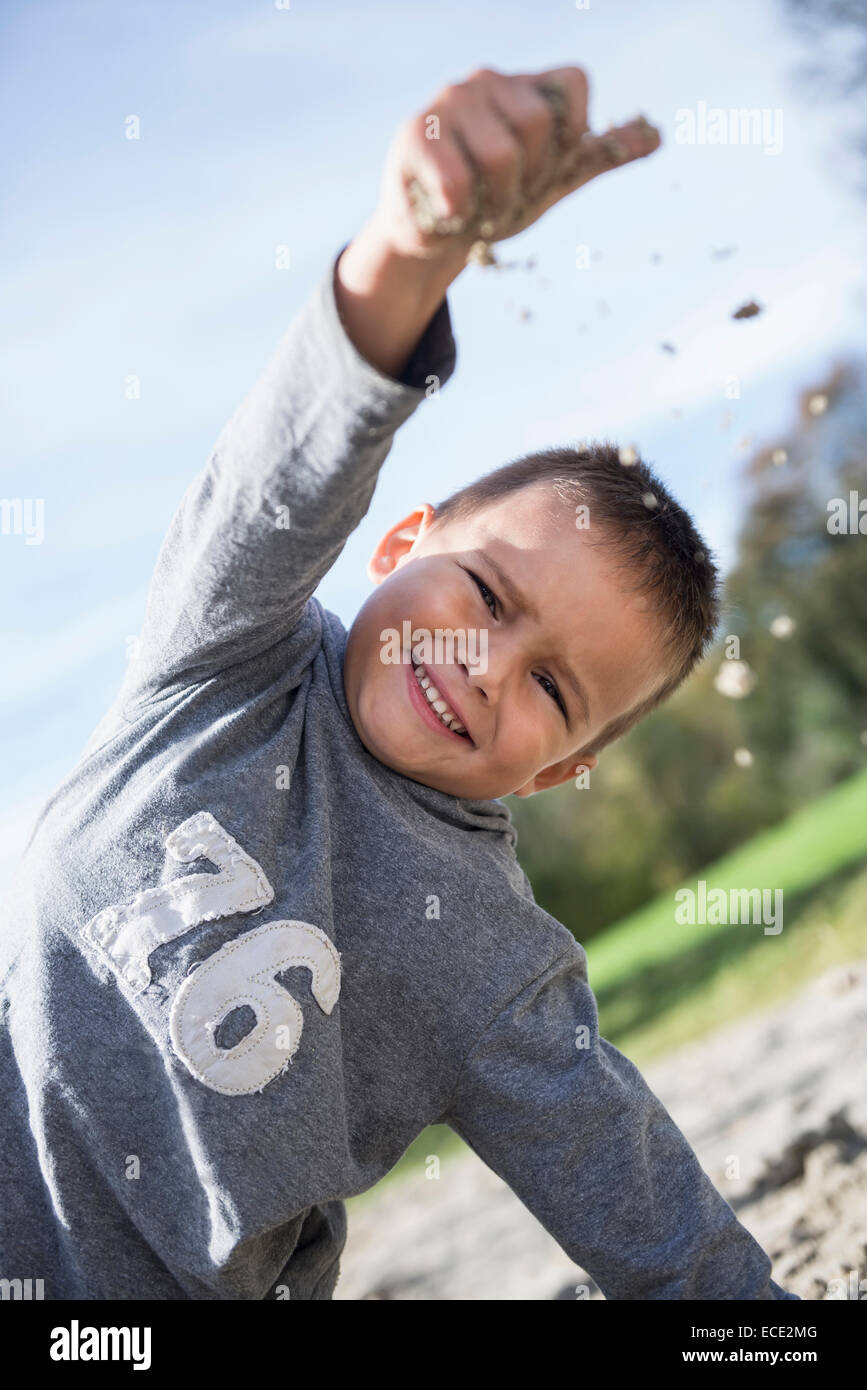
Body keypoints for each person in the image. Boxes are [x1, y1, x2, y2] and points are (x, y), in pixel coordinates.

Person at [0, 65, 799, 1300]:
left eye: (555, 691)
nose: (483, 668)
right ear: (397, 539)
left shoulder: (489, 966)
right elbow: (280, 474)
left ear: (565, 766)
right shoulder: (231, 650)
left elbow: (640, 1200)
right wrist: (411, 248)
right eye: (484, 593)